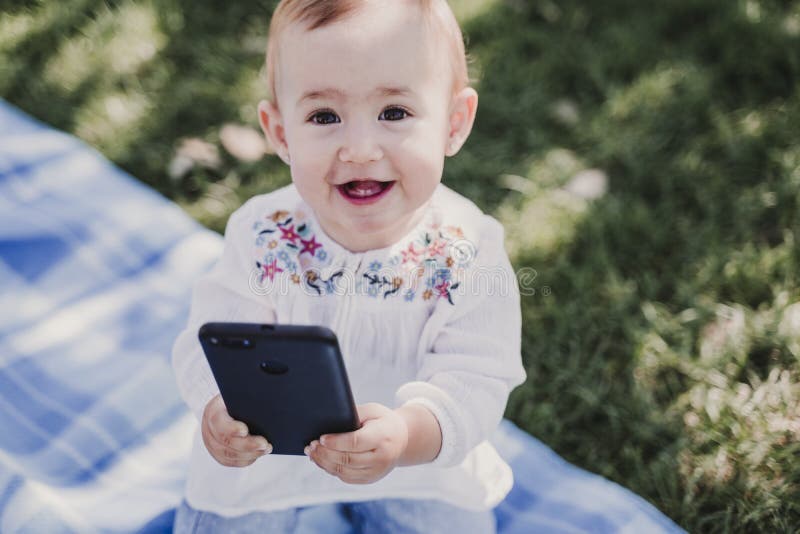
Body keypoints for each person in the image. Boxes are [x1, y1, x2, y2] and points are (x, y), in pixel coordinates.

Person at [171, 0, 526, 532]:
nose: (360, 149)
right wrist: (217, 406)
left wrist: (407, 435)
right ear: (281, 133)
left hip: (418, 480)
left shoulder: (468, 249)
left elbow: (476, 377)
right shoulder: (262, 233)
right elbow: (211, 339)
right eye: (324, 116)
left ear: (454, 124)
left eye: (394, 113)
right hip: (267, 475)